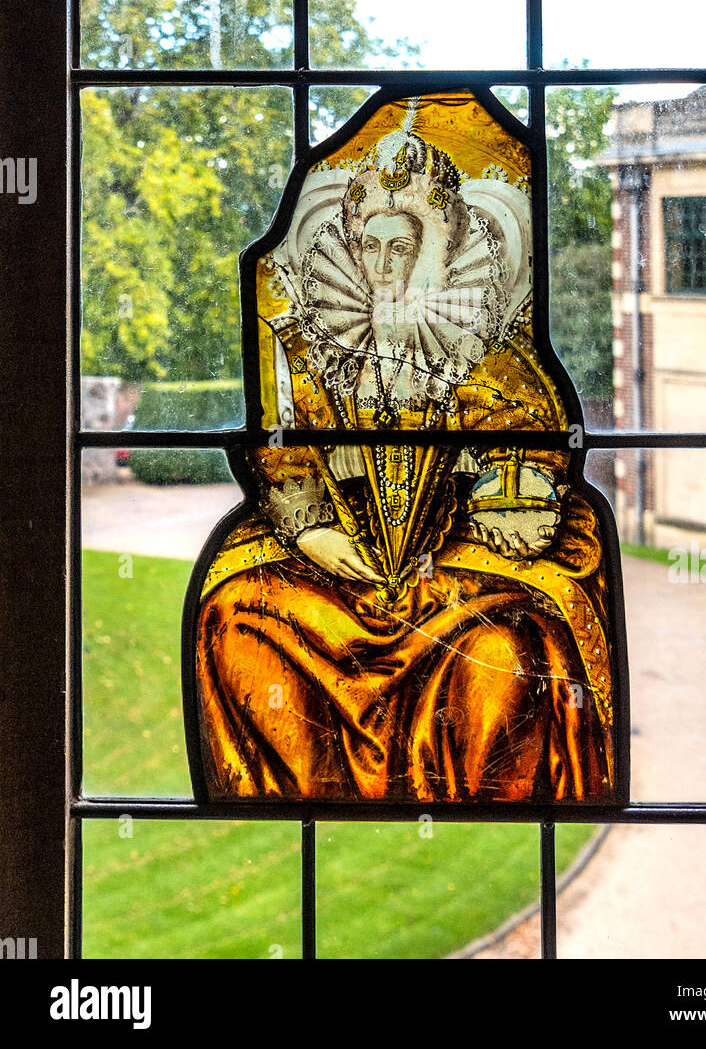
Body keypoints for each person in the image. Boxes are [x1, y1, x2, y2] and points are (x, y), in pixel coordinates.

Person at [192, 95, 617, 803]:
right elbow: (282, 445)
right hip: (333, 572)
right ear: (349, 246)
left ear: (432, 250)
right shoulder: (305, 344)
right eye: (370, 246)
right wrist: (311, 526)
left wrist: (509, 498)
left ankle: (483, 814)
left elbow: (529, 441)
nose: (383, 264)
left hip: (452, 578)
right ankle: (305, 794)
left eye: (402, 247)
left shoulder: (486, 346)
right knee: (235, 611)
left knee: (503, 653)